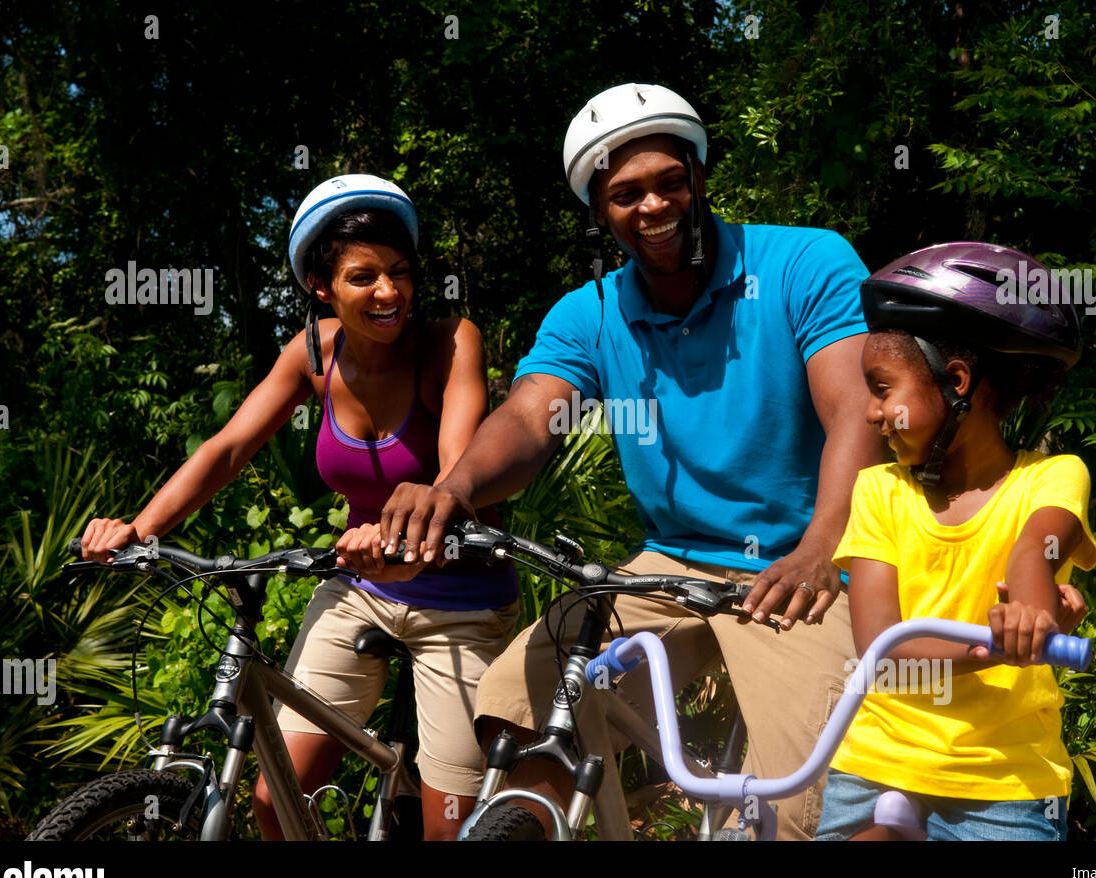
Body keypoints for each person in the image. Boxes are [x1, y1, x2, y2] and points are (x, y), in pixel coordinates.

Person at [379, 84, 885, 839]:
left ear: (699, 177)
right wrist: (452, 488)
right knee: (523, 696)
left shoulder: (805, 261)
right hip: (669, 566)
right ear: (598, 211)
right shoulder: (591, 311)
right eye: (625, 194)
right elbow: (527, 414)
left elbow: (857, 410)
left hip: (806, 566)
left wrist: (821, 547)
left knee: (801, 797)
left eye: (669, 183)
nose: (652, 206)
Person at [80, 174, 520, 840]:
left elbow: (460, 472)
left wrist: (410, 527)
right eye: (364, 276)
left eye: (399, 273)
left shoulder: (449, 343)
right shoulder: (313, 353)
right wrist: (138, 529)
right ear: (322, 286)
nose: (389, 292)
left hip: (460, 600)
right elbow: (228, 447)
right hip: (359, 585)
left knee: (450, 828)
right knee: (273, 797)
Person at [815, 242, 1096, 841]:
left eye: (882, 388)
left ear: (957, 381)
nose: (871, 413)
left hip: (1004, 785)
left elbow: (1035, 553)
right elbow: (883, 653)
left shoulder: (1053, 476)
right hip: (875, 765)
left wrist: (1031, 612)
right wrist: (1000, 649)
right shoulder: (878, 490)